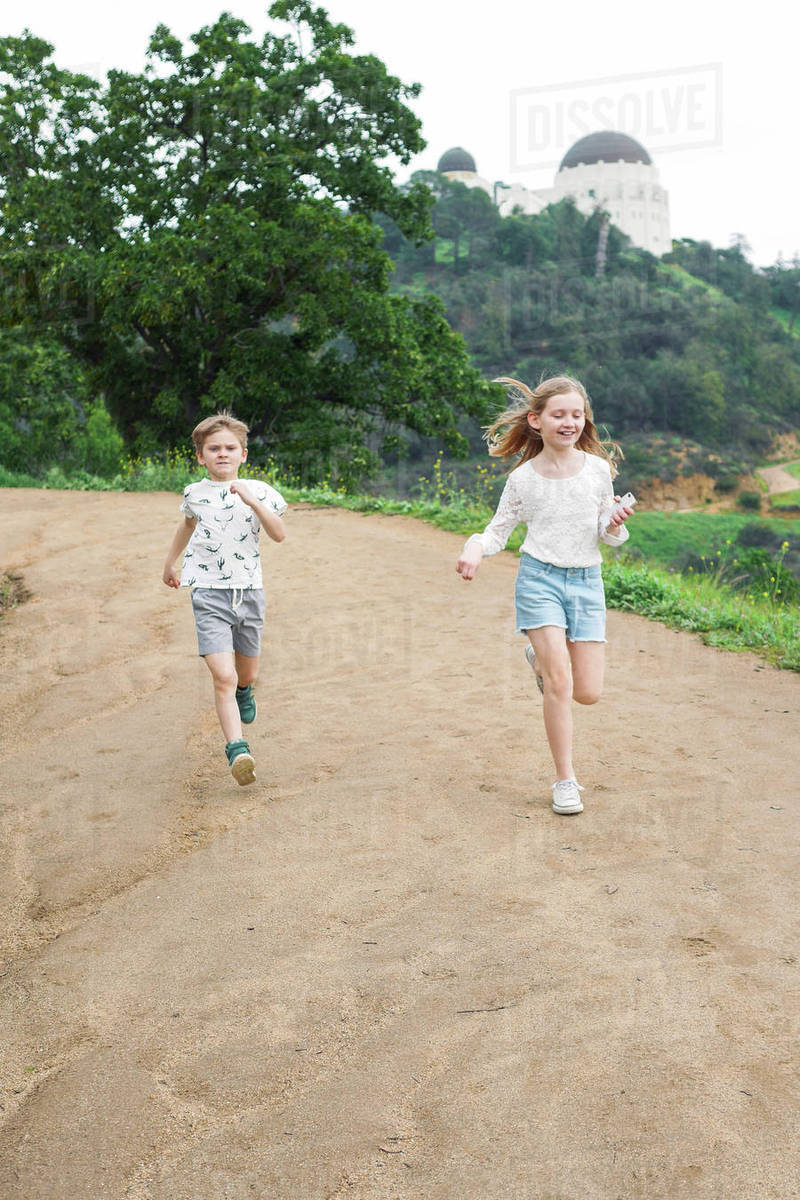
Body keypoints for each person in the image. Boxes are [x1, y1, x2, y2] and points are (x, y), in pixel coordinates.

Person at [456, 376, 633, 816]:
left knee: (588, 692)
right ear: (536, 421)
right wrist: (474, 548)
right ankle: (565, 781)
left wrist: (614, 523)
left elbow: (608, 534)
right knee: (560, 684)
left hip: (587, 581)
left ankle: (536, 659)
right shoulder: (522, 480)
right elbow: (497, 532)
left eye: (577, 415)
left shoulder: (597, 470)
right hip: (539, 581)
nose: (569, 422)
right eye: (559, 415)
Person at [162, 412, 287, 786]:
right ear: (200, 456)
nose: (222, 454)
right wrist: (171, 562)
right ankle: (237, 749)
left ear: (243, 454)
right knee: (223, 675)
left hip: (249, 591)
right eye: (213, 449)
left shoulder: (261, 490)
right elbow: (186, 525)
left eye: (230, 448)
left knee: (245, 674)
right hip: (207, 592)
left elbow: (279, 534)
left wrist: (252, 501)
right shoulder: (194, 494)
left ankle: (245, 690)